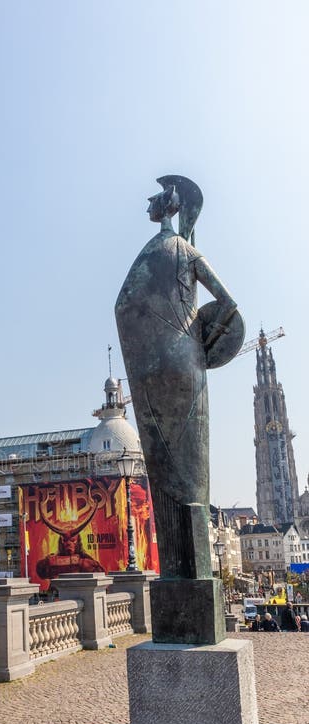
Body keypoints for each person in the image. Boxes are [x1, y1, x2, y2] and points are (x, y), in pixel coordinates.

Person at [115, 176, 242, 580]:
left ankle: (181, 574)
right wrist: (205, 339)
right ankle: (192, 576)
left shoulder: (163, 249)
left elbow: (124, 306)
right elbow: (227, 304)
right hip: (183, 362)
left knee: (173, 469)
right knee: (186, 472)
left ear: (168, 204)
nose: (147, 204)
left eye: (153, 198)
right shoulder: (183, 249)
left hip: (160, 365)